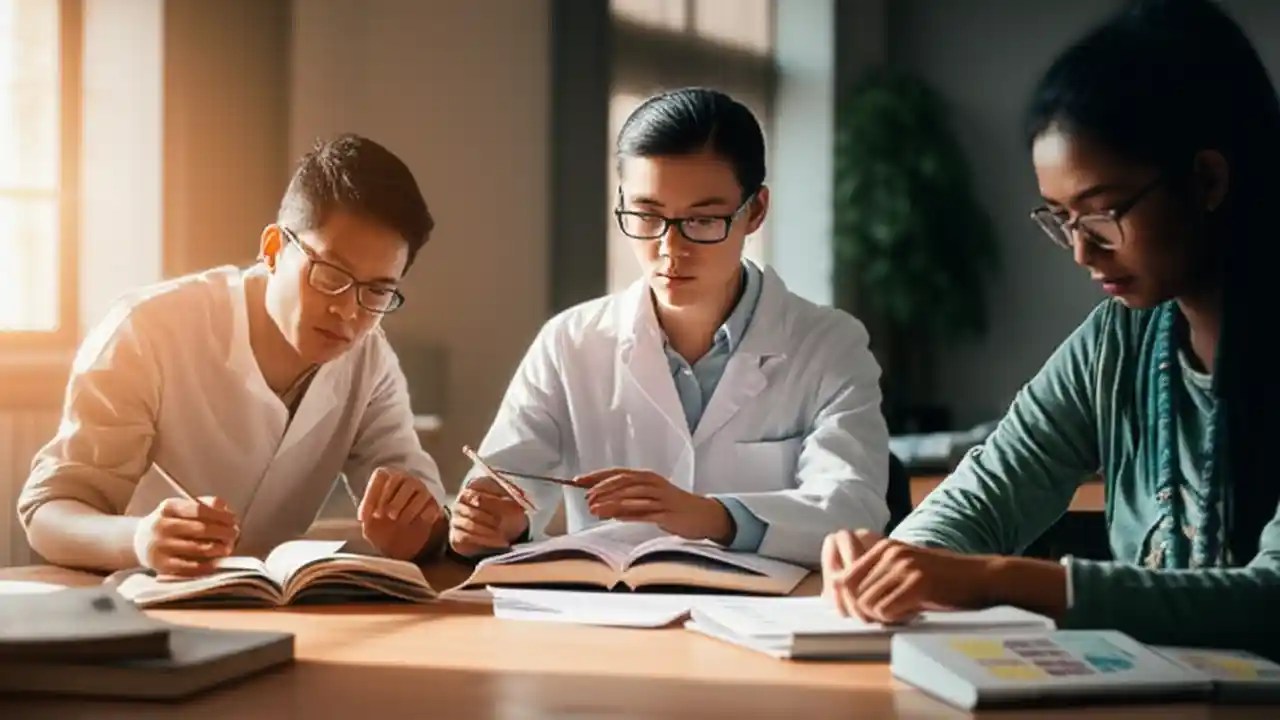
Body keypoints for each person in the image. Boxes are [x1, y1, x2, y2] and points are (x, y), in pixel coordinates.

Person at [821, 0, 1280, 657]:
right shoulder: (1119, 340)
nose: (1081, 250)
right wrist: (898, 566)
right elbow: (988, 494)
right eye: (1060, 218)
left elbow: (1270, 600)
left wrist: (998, 580)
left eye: (1102, 213)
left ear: (1207, 179)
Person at [448, 88, 890, 566]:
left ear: (756, 211)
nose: (670, 249)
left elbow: (854, 512)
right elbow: (506, 485)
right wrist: (491, 520)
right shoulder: (569, 341)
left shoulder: (829, 345)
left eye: (702, 220)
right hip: (609, 603)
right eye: (647, 216)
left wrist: (712, 516)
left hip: (768, 605)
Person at [18, 134, 449, 575]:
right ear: (273, 249)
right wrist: (139, 540)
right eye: (329, 273)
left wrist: (416, 530)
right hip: (129, 595)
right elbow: (49, 512)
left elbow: (428, 513)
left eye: (377, 291)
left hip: (269, 603)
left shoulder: (370, 362)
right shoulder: (148, 328)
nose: (348, 311)